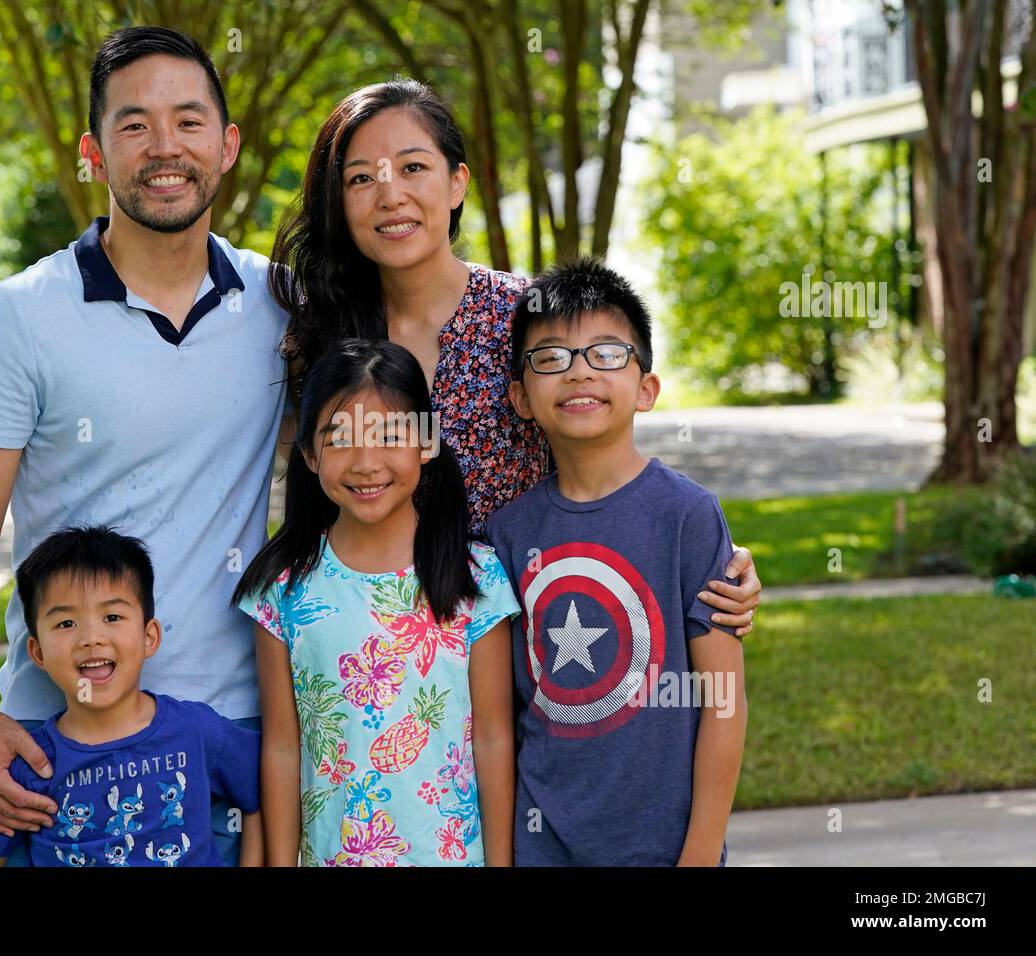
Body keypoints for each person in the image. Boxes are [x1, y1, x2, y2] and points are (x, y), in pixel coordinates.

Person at [0, 27, 286, 867]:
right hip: (56, 744)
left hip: (224, 737)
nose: (165, 148)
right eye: (135, 125)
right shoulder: (16, 320)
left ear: (227, 145)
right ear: (94, 153)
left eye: (190, 122)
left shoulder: (280, 306)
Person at [270, 77, 763, 630]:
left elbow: (605, 472)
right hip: (373, 664)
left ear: (457, 183)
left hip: (539, 651)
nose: (390, 196)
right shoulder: (317, 335)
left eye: (413, 168)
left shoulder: (526, 320)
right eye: (362, 178)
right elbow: (311, 516)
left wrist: (705, 553)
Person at [484, 259, 748, 866]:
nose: (578, 372)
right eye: (550, 357)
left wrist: (702, 853)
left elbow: (725, 701)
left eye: (605, 353)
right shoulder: (507, 531)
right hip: (541, 845)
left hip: (663, 848)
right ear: (522, 397)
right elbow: (501, 712)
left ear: (647, 388)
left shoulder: (686, 516)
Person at [235, 339, 519, 866]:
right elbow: (281, 745)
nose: (366, 464)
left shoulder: (475, 578)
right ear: (309, 454)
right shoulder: (283, 588)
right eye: (340, 440)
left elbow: (494, 737)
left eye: (390, 435)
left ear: (426, 443)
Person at [0, 526, 261, 867]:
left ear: (149, 637)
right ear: (38, 652)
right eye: (66, 623)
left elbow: (262, 793)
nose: (91, 637)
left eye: (112, 617)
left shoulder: (197, 731)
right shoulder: (31, 764)